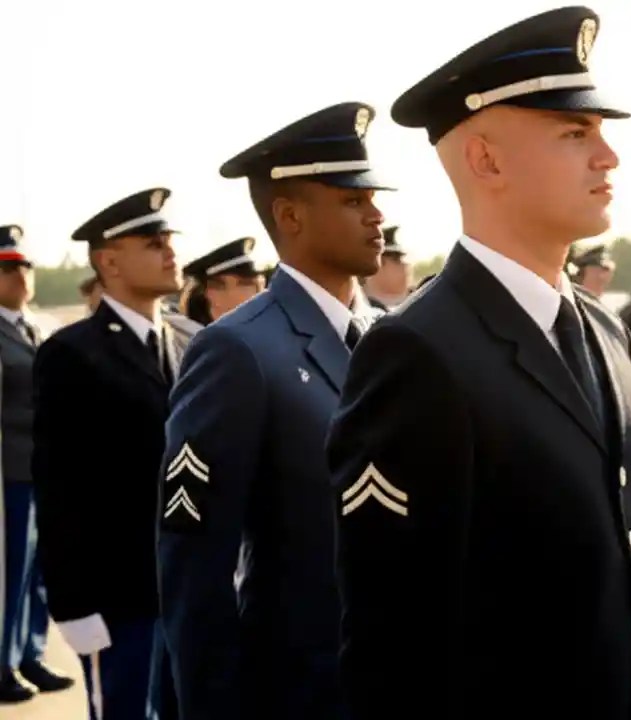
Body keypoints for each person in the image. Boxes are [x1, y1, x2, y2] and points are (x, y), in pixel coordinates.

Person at [325, 8, 631, 719]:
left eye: (602, 134)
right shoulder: (419, 352)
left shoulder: (606, 331)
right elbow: (392, 641)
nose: (608, 156)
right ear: (486, 160)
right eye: (576, 133)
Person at [158, 102, 391, 720]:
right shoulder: (239, 350)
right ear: (289, 215)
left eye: (374, 197)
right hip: (301, 692)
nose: (378, 215)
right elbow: (195, 575)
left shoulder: (397, 340)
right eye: (352, 200)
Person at [33, 188, 184, 719]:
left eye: (170, 239)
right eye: (152, 241)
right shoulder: (72, 353)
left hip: (183, 588)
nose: (170, 251)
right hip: (117, 595)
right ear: (109, 261)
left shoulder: (188, 347)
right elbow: (59, 486)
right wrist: (73, 604)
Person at [0, 226, 74, 705]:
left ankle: (31, 653)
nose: (21, 276)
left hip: (46, 468)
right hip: (9, 469)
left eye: (24, 266)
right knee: (10, 572)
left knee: (41, 570)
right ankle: (3, 662)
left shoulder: (40, 324)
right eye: (9, 268)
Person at [364, 225, 413, 310]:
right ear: (378, 262)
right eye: (397, 260)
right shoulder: (357, 310)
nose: (405, 265)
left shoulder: (420, 305)